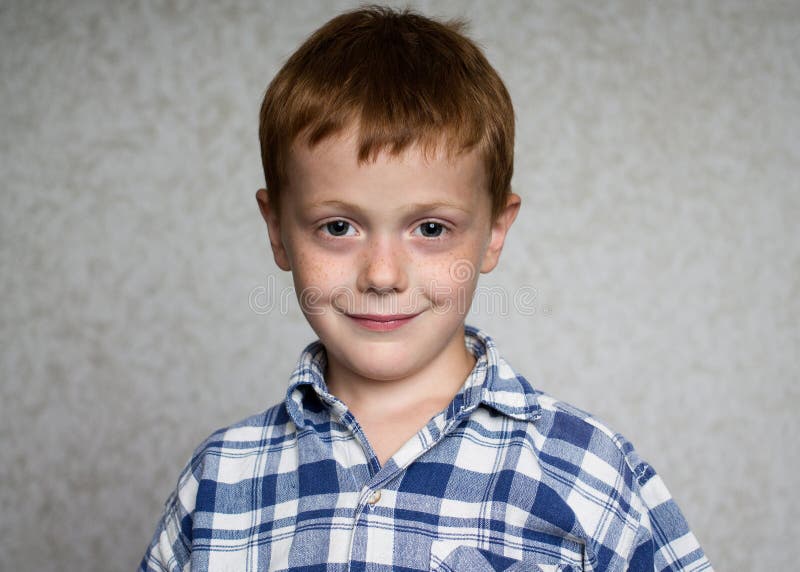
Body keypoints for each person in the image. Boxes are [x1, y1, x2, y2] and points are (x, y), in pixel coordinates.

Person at [140, 6, 711, 571]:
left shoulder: (588, 473)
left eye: (431, 229)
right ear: (277, 230)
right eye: (338, 227)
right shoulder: (219, 480)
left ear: (494, 233)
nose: (383, 276)